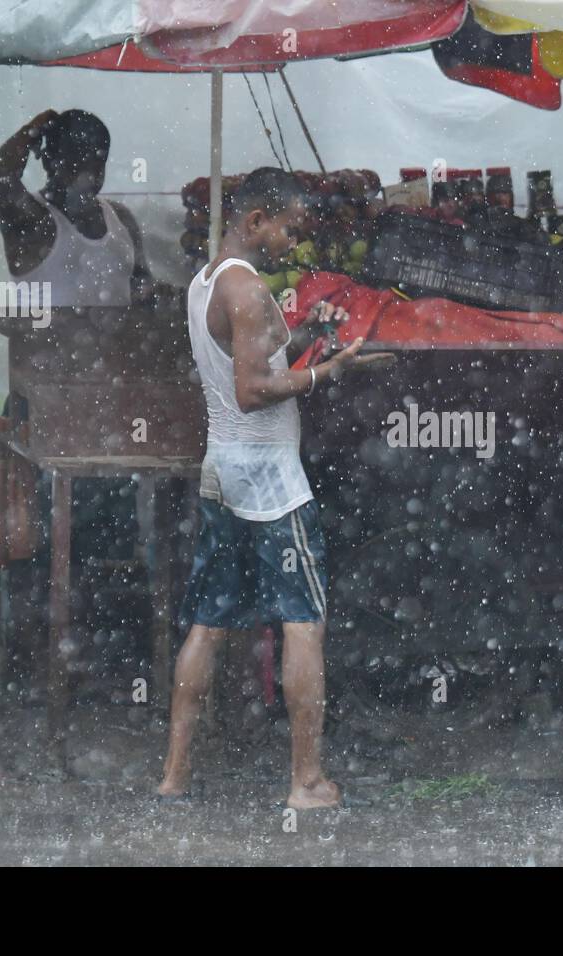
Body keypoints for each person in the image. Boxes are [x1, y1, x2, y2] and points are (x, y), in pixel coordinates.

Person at [158, 167, 394, 809]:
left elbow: (248, 370)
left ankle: (175, 775)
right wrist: (328, 374)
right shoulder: (251, 292)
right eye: (289, 228)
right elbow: (254, 391)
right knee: (303, 623)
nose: (294, 242)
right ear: (256, 220)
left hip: (222, 471)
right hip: (271, 481)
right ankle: (306, 781)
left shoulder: (204, 282)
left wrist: (309, 351)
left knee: (207, 623)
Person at [0, 108, 152, 307]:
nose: (88, 173)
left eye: (97, 161)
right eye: (77, 161)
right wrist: (30, 131)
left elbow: (146, 291)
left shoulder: (121, 218)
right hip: (47, 337)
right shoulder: (32, 220)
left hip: (120, 337)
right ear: (47, 161)